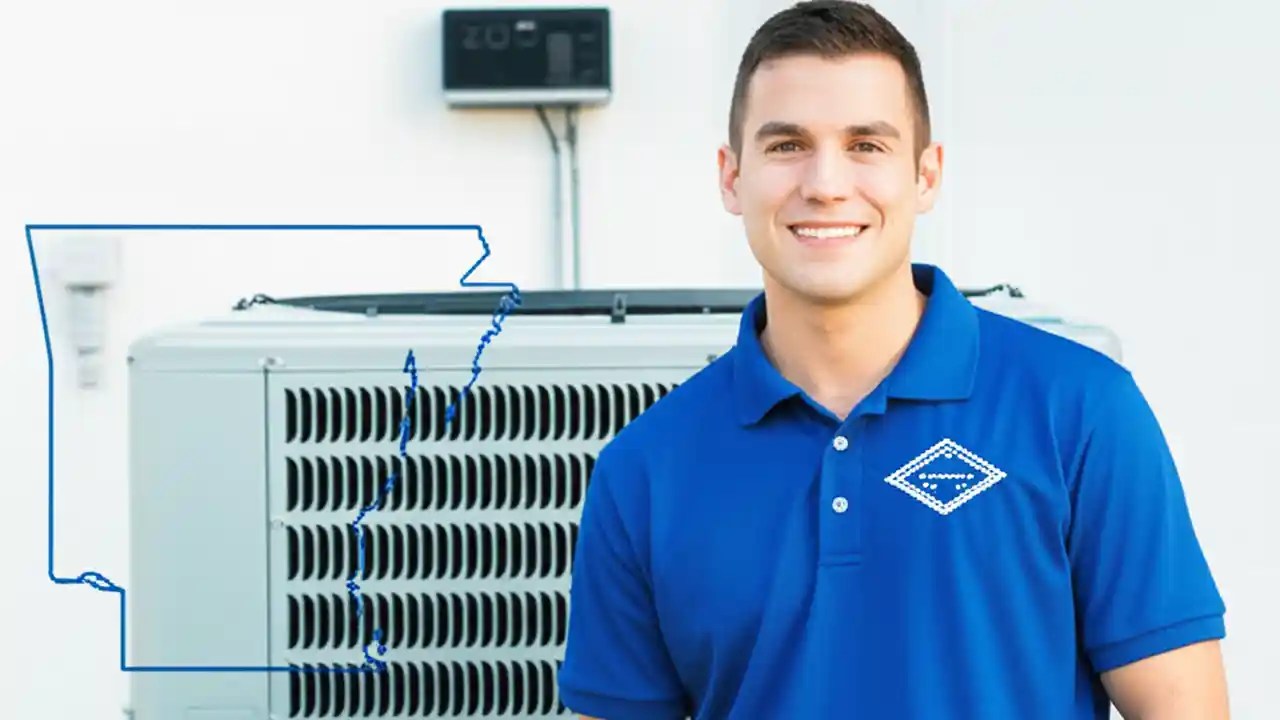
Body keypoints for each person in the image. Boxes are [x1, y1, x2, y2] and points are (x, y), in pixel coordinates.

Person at [556, 1, 1229, 718]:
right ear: (731, 177)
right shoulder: (647, 468)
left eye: (866, 145)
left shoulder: (1081, 411)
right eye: (786, 144)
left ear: (926, 175)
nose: (825, 183)